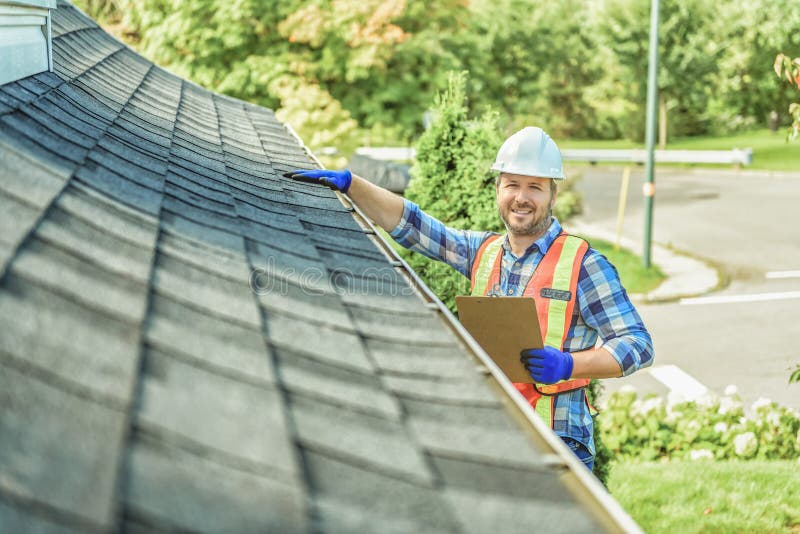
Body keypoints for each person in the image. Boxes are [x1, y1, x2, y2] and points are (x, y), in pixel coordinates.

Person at [285, 126, 654, 471]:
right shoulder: (484, 252)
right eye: (512, 184)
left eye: (534, 187)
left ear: (552, 195)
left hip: (558, 443)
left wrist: (569, 365)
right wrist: (353, 186)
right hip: (494, 434)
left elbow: (638, 345)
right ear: (498, 189)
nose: (521, 198)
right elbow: (414, 226)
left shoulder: (584, 265)